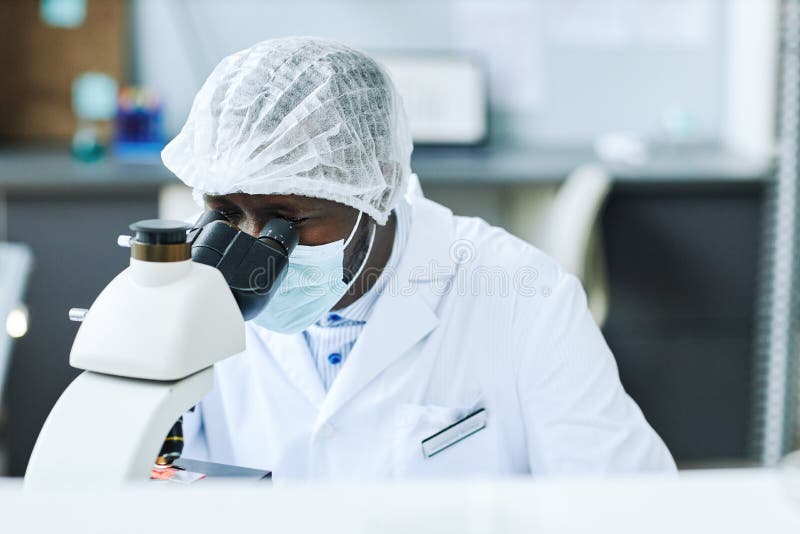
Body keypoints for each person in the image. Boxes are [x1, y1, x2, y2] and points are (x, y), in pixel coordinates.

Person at [161, 37, 675, 479]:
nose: (252, 246)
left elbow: (624, 503)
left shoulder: (527, 297)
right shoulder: (189, 300)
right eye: (225, 212)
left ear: (378, 186)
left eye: (287, 221)